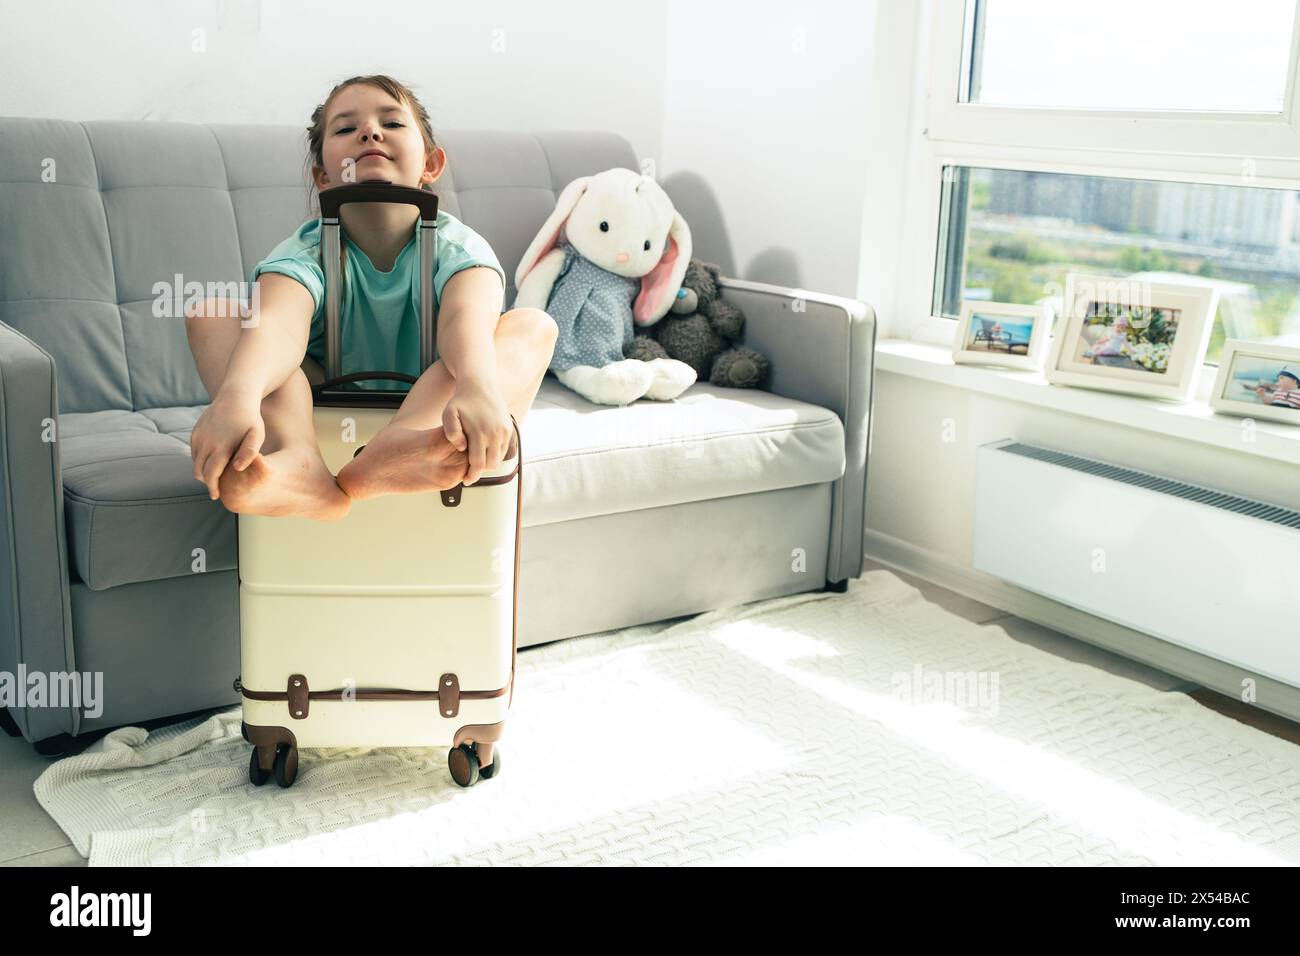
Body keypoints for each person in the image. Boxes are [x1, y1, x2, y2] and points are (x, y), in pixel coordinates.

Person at [185, 75, 557, 520]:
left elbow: (465, 320)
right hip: (320, 400)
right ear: (323, 176)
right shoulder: (306, 253)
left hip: (440, 413)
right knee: (212, 313)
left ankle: (400, 445)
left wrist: (478, 387)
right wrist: (236, 396)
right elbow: (278, 324)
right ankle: (298, 458)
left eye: (392, 123)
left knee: (533, 326)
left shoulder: (459, 248)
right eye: (345, 129)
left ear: (431, 164)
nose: (370, 132)